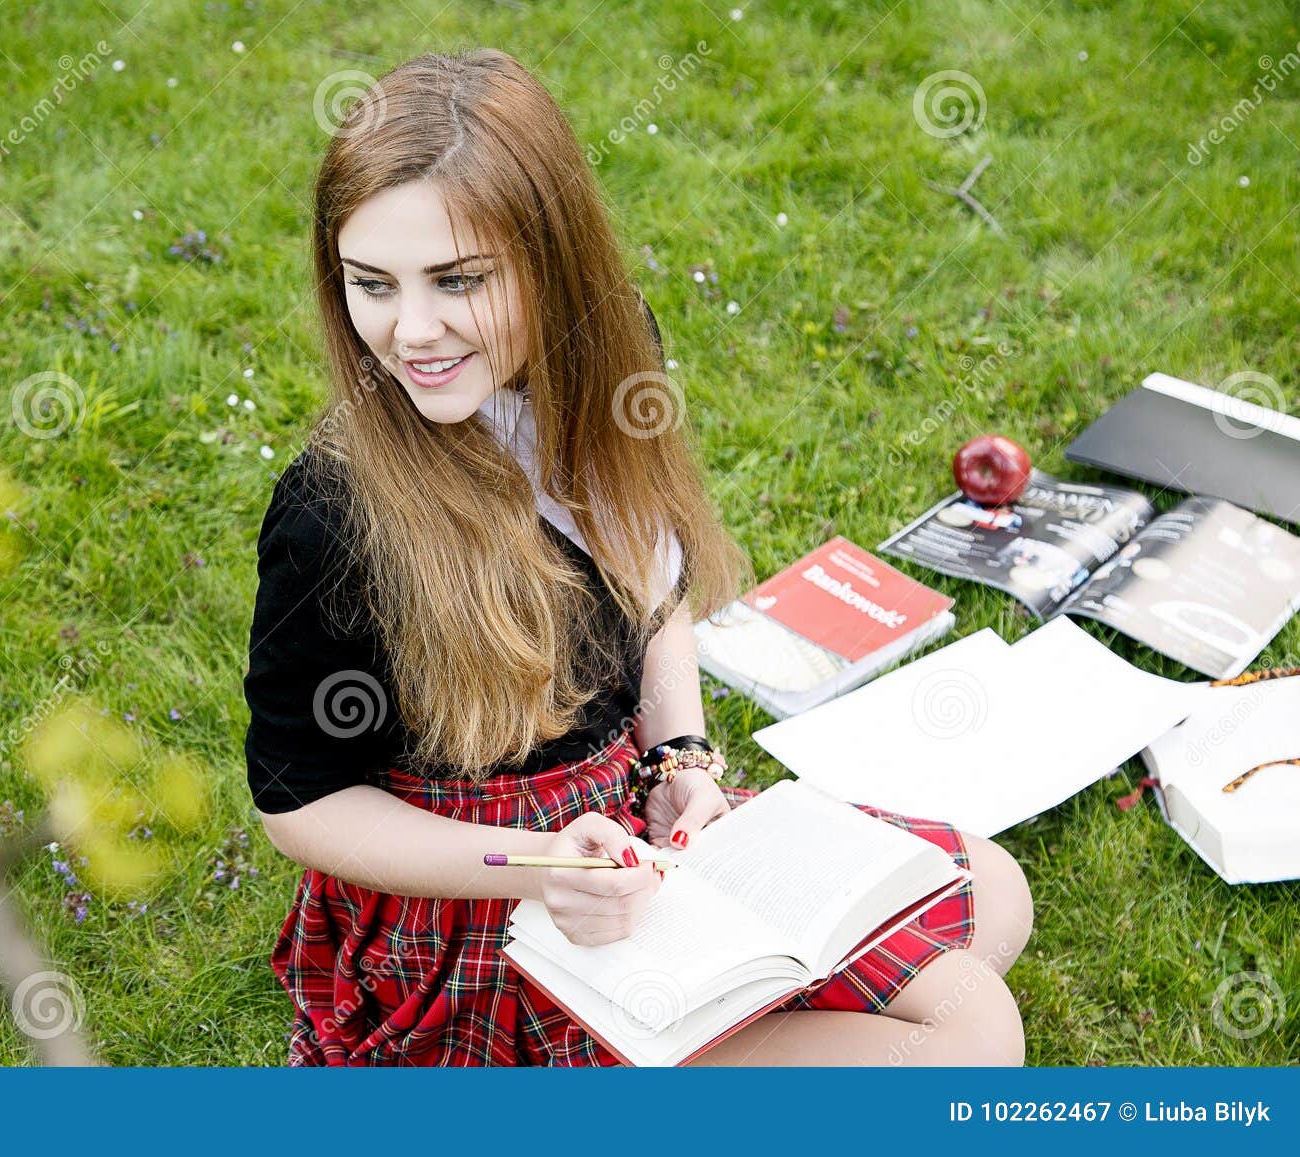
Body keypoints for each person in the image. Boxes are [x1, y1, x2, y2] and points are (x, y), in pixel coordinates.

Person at [243, 48, 1033, 1066]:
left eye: (459, 280)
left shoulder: (611, 361)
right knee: (971, 1037)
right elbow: (300, 802)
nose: (413, 332)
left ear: (551, 258)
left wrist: (682, 758)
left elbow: (651, 584)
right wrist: (537, 863)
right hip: (491, 896)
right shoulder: (332, 511)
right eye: (372, 284)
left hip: (628, 829)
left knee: (995, 891)